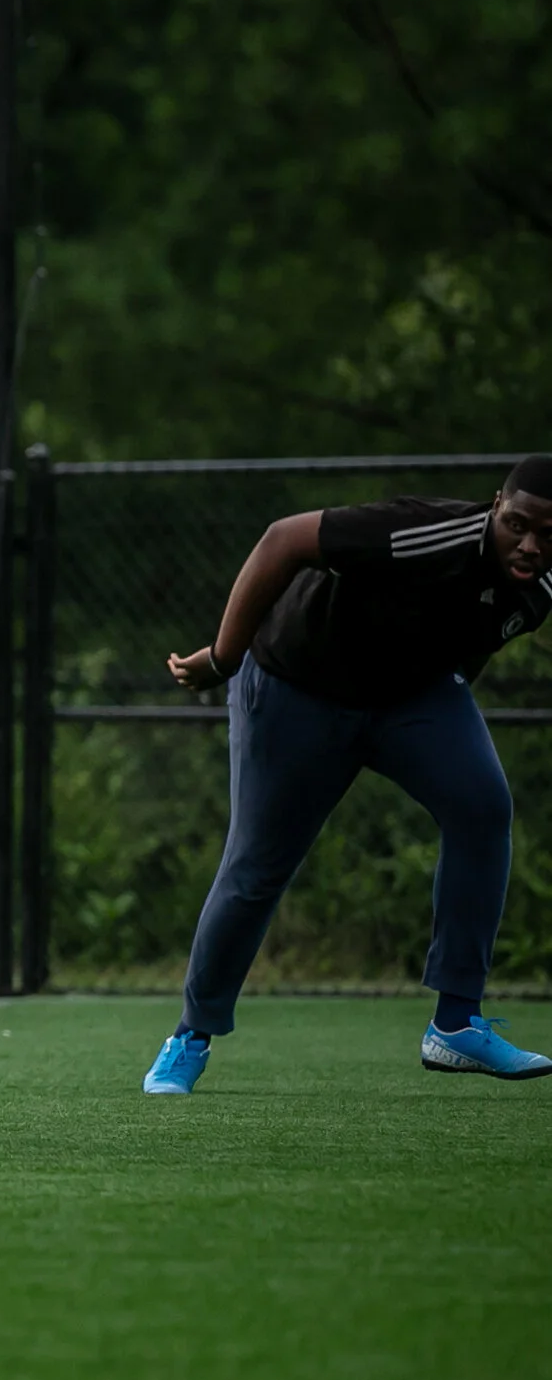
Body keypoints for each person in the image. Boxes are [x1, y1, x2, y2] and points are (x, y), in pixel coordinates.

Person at [141, 457, 552, 1093]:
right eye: (518, 524)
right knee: (257, 868)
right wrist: (224, 657)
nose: (529, 545)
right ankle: (190, 1036)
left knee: (483, 807)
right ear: (496, 505)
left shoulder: (537, 589)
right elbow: (283, 539)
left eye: (547, 535)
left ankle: (455, 1025)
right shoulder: (423, 531)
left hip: (410, 699)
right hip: (296, 685)